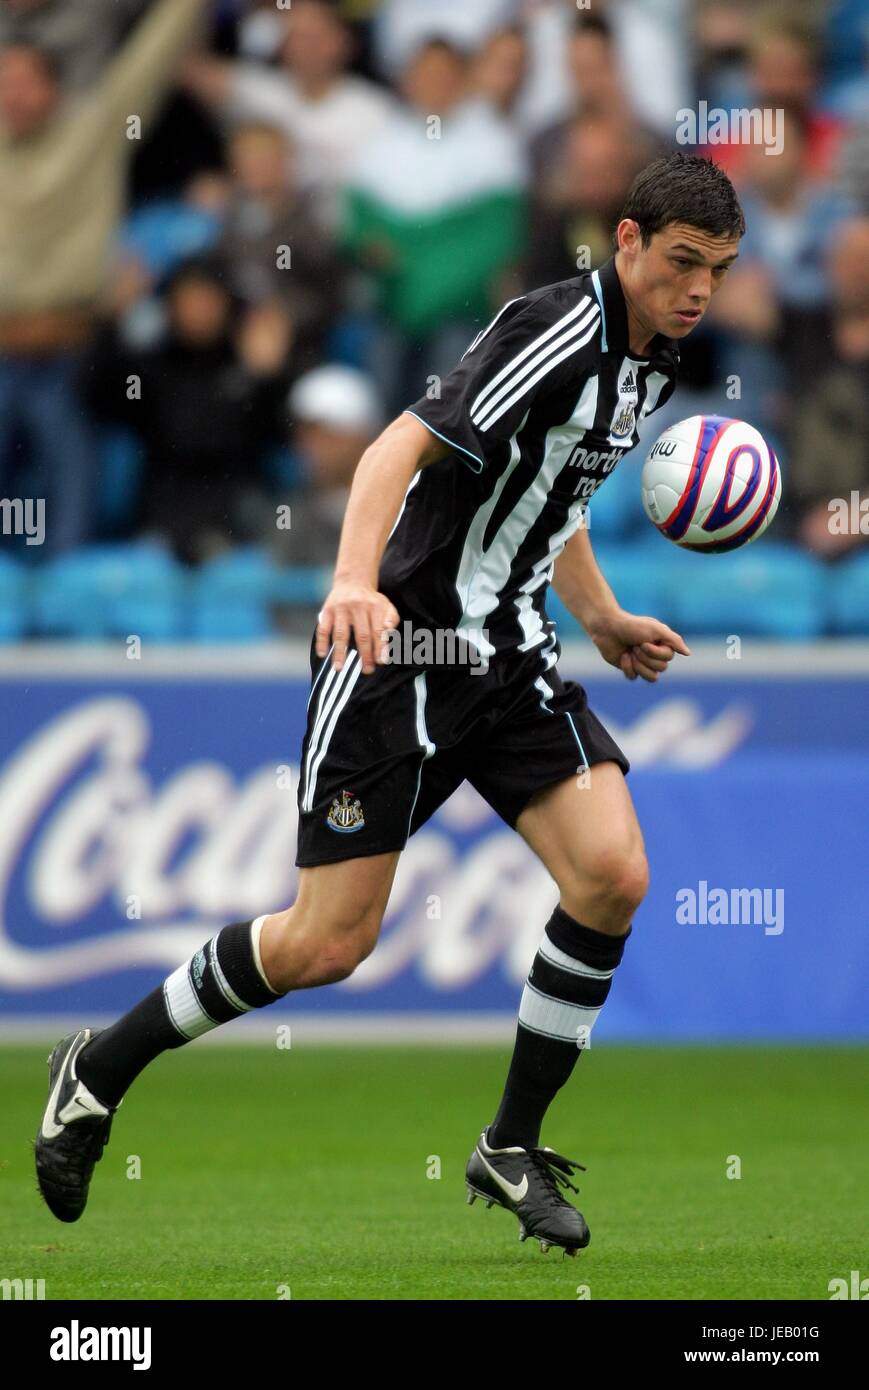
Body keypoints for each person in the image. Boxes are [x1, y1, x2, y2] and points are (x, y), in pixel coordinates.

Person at [35, 154, 745, 1257]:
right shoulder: (551, 333)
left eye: (718, 270)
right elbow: (392, 448)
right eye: (683, 263)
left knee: (611, 876)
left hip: (508, 657)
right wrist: (352, 580)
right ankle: (97, 1067)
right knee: (324, 946)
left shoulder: (653, 356)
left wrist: (597, 615)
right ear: (625, 241)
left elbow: (552, 491)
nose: (698, 288)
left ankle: (508, 1144)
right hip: (398, 654)